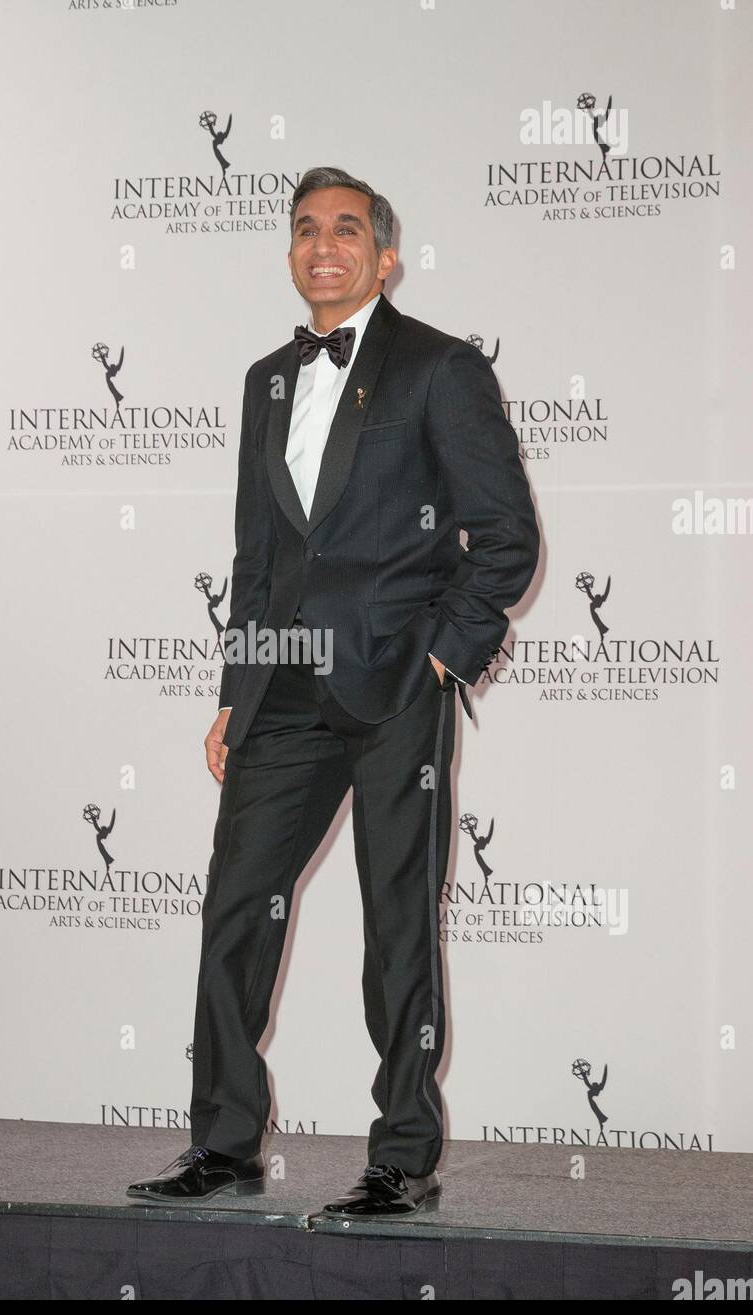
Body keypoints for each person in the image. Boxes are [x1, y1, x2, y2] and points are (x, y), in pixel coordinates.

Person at [127, 166, 539, 1218]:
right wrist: (234, 688)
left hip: (399, 686)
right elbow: (258, 553)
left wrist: (442, 658)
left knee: (398, 926)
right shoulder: (269, 376)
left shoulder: (440, 369)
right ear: (289, 251)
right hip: (284, 697)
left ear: (384, 254)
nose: (324, 245)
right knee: (231, 916)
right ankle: (223, 1141)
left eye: (347, 230)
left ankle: (401, 1156)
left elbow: (507, 540)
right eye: (306, 229)